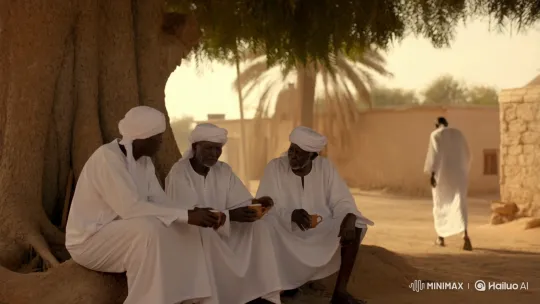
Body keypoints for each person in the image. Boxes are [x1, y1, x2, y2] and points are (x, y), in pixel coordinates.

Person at [65, 106, 221, 304]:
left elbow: (160, 202)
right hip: (89, 240)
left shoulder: (144, 162)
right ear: (143, 137)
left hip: (121, 232)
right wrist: (185, 214)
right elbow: (130, 209)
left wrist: (191, 214)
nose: (161, 143)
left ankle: (190, 297)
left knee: (187, 228)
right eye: (158, 137)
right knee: (148, 228)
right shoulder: (108, 158)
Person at [165, 123, 282, 304]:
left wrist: (257, 205)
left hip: (223, 229)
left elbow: (240, 201)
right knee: (205, 233)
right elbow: (190, 215)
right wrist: (230, 216)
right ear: (195, 147)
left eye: (218, 148)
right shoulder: (179, 173)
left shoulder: (223, 170)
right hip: (192, 235)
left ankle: (264, 293)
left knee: (260, 227)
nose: (214, 153)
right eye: (209, 148)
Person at [256, 126, 374, 304]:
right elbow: (264, 205)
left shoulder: (325, 168)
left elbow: (341, 201)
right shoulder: (275, 168)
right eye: (292, 149)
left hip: (320, 228)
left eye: (299, 153)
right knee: (263, 226)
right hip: (285, 230)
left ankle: (340, 293)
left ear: (312, 156)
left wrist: (348, 217)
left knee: (356, 224)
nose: (292, 155)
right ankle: (279, 286)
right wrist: (290, 215)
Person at [424, 116, 472, 251]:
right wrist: (464, 171)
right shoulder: (459, 134)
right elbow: (468, 154)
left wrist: (432, 174)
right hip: (459, 174)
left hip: (443, 175)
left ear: (436, 125)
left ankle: (441, 237)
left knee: (440, 203)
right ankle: (466, 236)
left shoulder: (435, 135)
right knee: (460, 203)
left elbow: (435, 155)